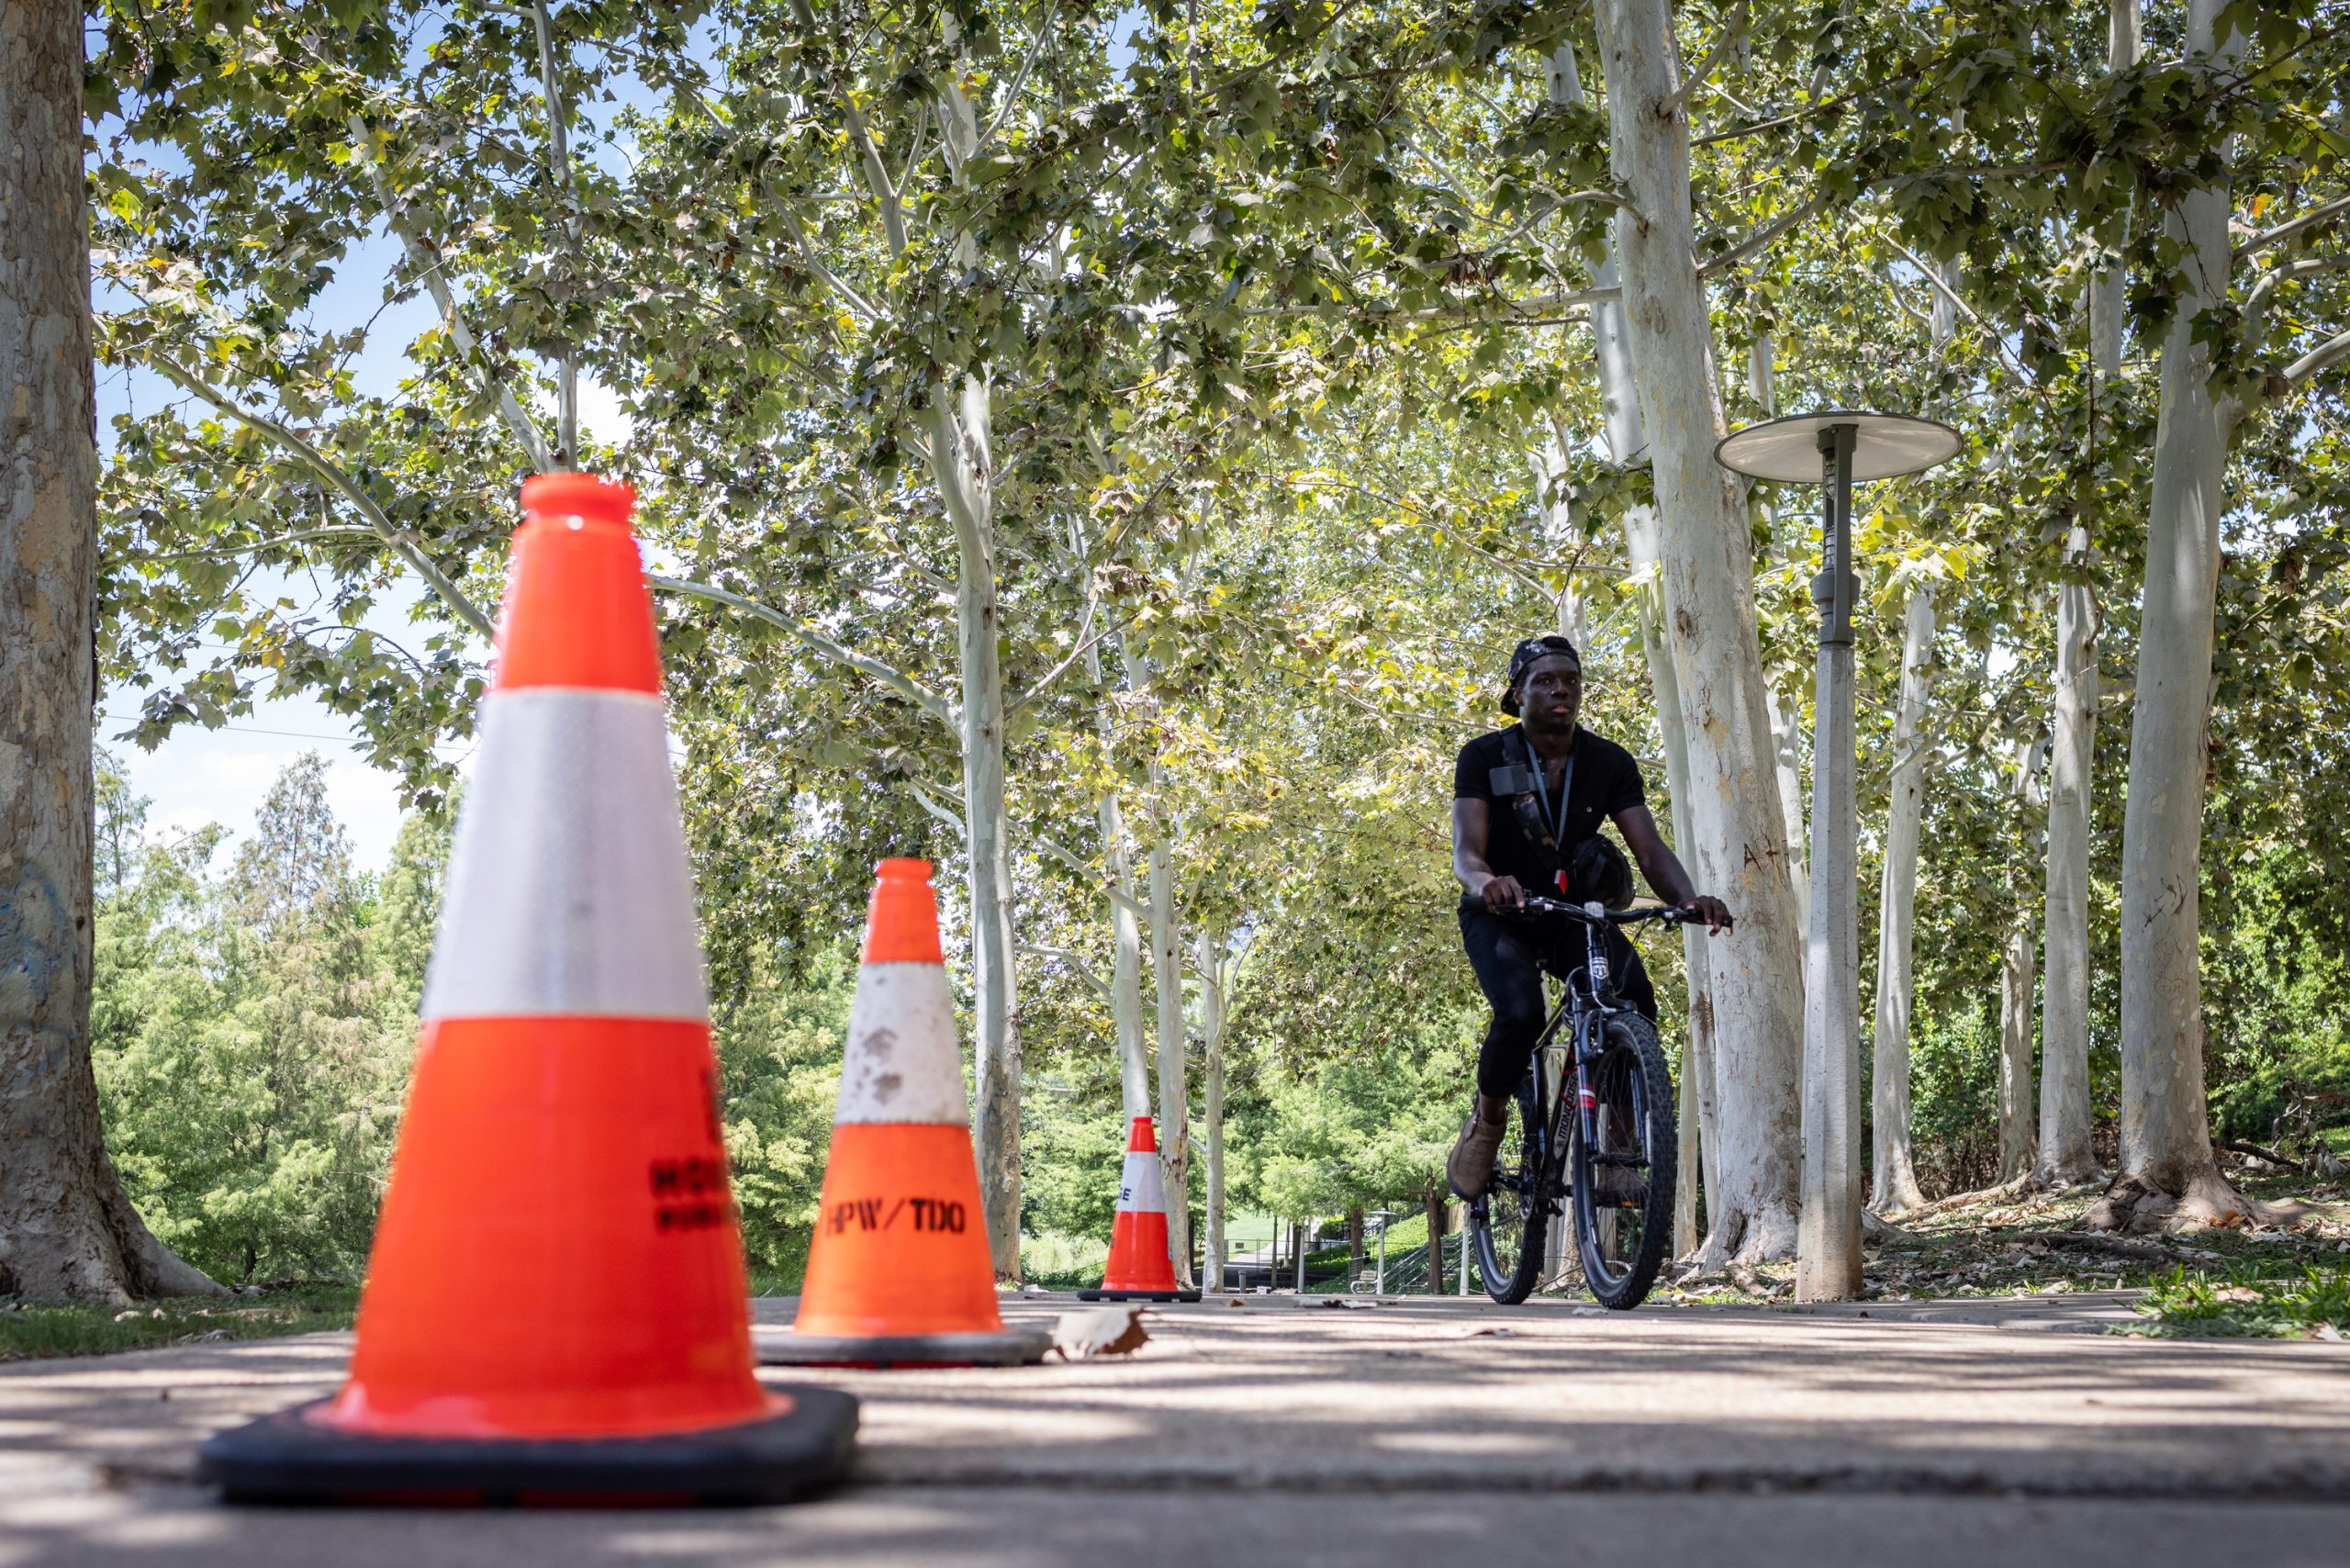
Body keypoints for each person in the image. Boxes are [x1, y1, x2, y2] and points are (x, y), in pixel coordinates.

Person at [1447, 634, 1732, 1201]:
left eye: (1570, 680)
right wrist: (1488, 883)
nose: (1561, 690)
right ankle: (1487, 1122)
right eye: (1545, 681)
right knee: (1522, 1012)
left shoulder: (1608, 762)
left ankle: (1616, 1151)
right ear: (1517, 694)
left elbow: (1649, 849)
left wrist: (1689, 896)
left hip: (1574, 913)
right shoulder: (1484, 756)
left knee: (1633, 998)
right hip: (1500, 910)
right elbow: (1466, 854)